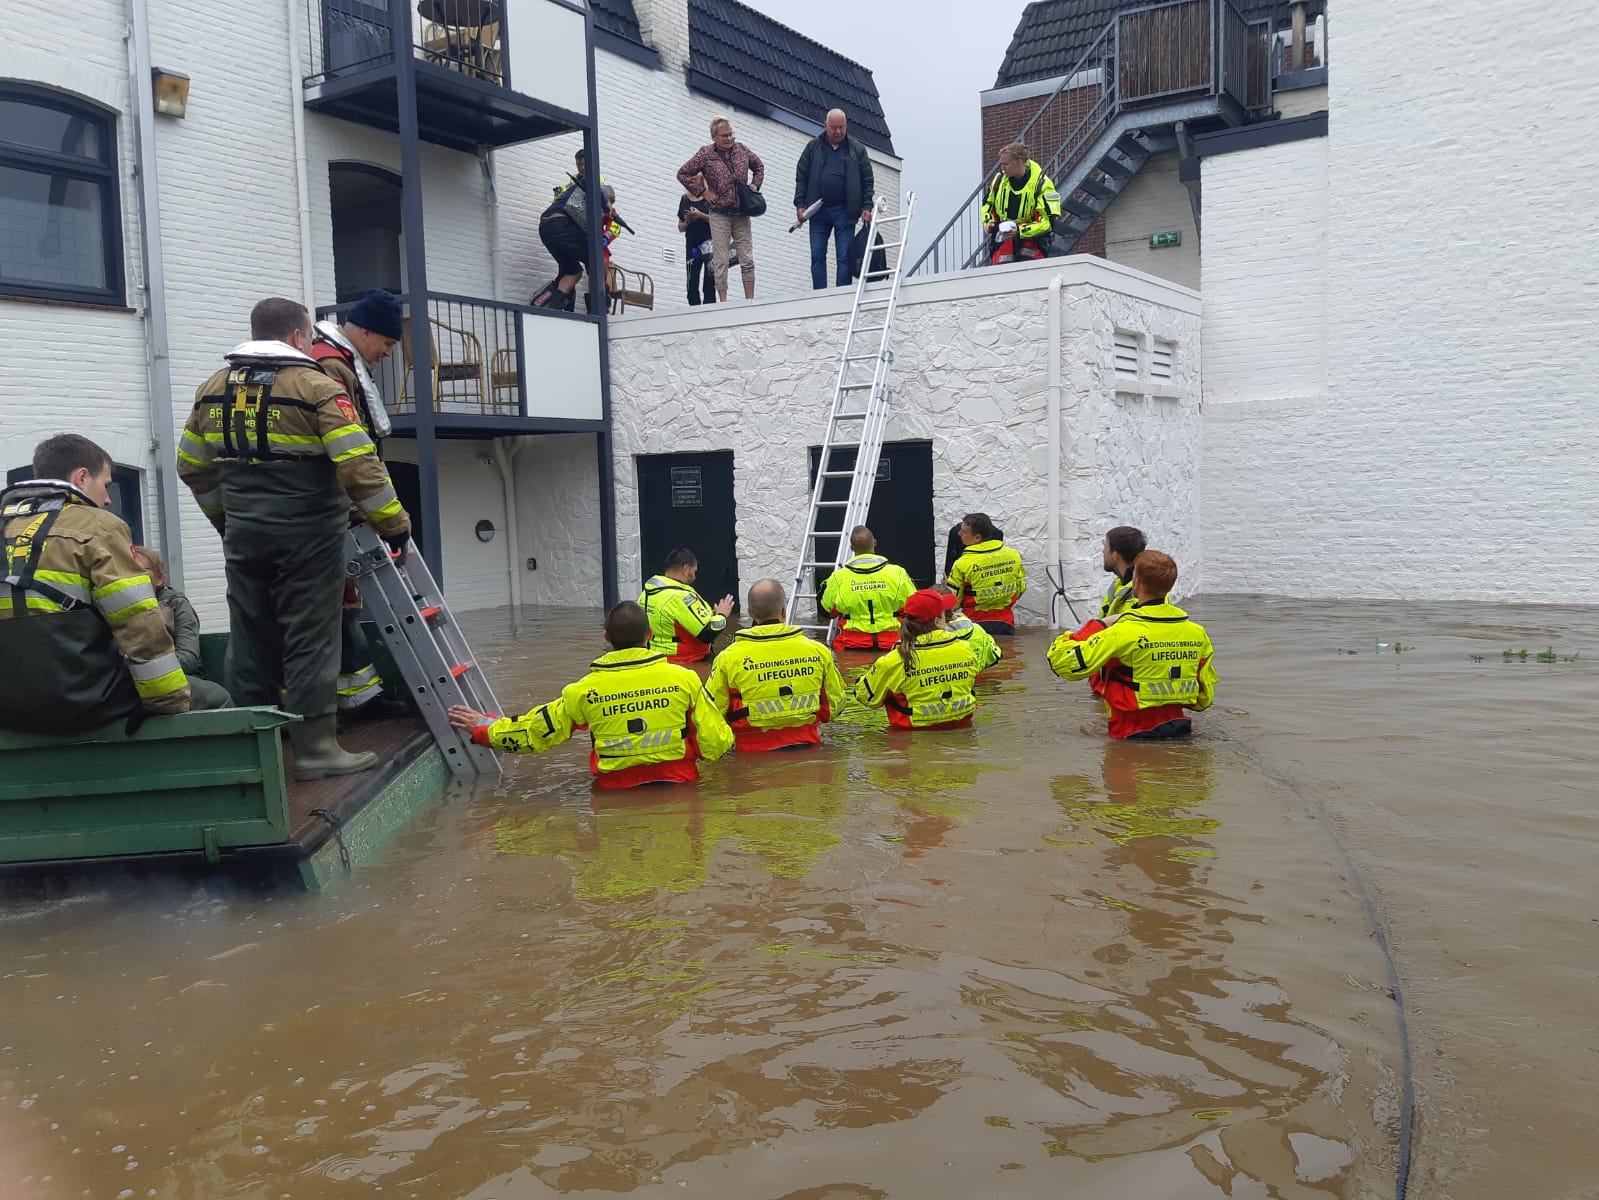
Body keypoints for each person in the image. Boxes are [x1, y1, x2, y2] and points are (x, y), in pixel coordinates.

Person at [179, 297, 411, 780]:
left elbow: (192, 466)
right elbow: (358, 462)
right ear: (298, 336)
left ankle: (249, 747)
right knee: (311, 637)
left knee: (250, 634)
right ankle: (315, 749)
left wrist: (227, 520)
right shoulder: (315, 387)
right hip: (309, 534)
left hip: (245, 534)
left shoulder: (211, 390)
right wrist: (394, 524)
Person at [0, 435, 199, 734]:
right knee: (212, 697)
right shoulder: (100, 527)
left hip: (7, 706)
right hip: (83, 699)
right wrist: (166, 702)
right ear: (81, 477)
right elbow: (137, 623)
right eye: (106, 485)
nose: (107, 499)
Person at [446, 601, 732, 789]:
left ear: (606, 638)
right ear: (651, 634)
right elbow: (716, 742)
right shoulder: (685, 680)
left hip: (614, 795)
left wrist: (485, 728)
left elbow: (536, 732)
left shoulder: (582, 691)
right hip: (680, 789)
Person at [311, 289, 404, 719]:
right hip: (334, 513)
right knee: (336, 609)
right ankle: (352, 705)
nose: (386, 354)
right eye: (385, 344)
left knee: (344, 606)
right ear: (364, 331)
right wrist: (384, 516)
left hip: (334, 511)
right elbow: (351, 450)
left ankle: (357, 699)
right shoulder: (332, 367)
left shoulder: (335, 361)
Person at [1047, 551, 1217, 740]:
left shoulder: (1122, 632)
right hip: (1180, 731)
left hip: (1130, 735)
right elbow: (1204, 698)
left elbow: (1064, 664)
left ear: (1136, 583)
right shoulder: (1197, 633)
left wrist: (1099, 624)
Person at [706, 579, 846, 752]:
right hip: (808, 747)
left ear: (750, 613)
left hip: (751, 754)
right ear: (784, 612)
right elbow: (835, 704)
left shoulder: (727, 659)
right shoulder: (818, 651)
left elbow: (711, 714)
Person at [853, 588, 981, 731]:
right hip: (963, 734)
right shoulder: (966, 649)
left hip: (910, 741)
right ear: (938, 621)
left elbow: (867, 698)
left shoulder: (894, 660)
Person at [130, 545, 233, 711]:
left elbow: (188, 657)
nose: (131, 578)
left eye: (140, 571)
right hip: (128, 682)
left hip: (172, 678)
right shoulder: (113, 605)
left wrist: (151, 674)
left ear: (159, 578)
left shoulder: (175, 604)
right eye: (126, 572)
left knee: (219, 698)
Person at [677, 116, 763, 303]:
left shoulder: (742, 150)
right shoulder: (705, 154)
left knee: (746, 257)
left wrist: (754, 186)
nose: (729, 139)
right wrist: (703, 192)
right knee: (720, 260)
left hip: (741, 212)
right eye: (724, 135)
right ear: (714, 137)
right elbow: (683, 173)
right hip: (719, 214)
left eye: (731, 134)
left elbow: (759, 166)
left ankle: (750, 301)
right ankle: (722, 301)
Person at [794, 108, 875, 290]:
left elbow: (867, 180)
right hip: (818, 210)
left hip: (845, 211)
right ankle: (820, 296)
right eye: (834, 128)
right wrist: (800, 204)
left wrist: (866, 206)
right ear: (825, 126)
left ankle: (842, 296)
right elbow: (802, 176)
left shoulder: (857, 149)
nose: (838, 132)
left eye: (842, 127)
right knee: (817, 256)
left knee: (844, 257)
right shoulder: (813, 147)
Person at [819, 525, 914, 652]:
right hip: (892, 645)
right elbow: (914, 608)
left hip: (851, 646)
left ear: (852, 548)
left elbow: (826, 611)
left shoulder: (838, 577)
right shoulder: (898, 573)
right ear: (875, 542)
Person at [638, 549, 734, 664]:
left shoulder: (647, 593)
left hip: (658, 659)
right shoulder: (680, 597)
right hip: (688, 661)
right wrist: (721, 614)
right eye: (694, 571)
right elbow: (708, 633)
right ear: (686, 569)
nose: (695, 576)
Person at [540, 172, 616, 312]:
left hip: (546, 227)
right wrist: (607, 203)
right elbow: (590, 179)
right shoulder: (592, 193)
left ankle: (549, 307)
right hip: (561, 223)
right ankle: (598, 311)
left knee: (572, 271)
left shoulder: (576, 195)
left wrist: (604, 238)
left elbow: (608, 230)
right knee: (596, 260)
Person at [981, 142, 1062, 265]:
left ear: (1018, 162)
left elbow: (1047, 223)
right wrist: (988, 222)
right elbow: (988, 204)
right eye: (1001, 164)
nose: (1002, 168)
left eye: (1006, 164)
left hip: (1032, 243)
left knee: (1029, 272)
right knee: (1001, 275)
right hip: (1004, 240)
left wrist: (1020, 231)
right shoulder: (999, 180)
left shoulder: (1043, 185)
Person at [947, 512, 1027, 635]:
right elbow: (1020, 588)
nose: (959, 534)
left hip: (974, 623)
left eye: (963, 531)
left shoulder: (962, 564)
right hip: (1006, 623)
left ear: (977, 537)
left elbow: (953, 601)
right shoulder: (1013, 555)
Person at [936, 585, 1003, 672]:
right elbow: (995, 656)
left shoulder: (927, 637)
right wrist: (968, 622)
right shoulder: (976, 629)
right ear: (953, 605)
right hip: (978, 680)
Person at [677, 173, 717, 307]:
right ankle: (694, 311)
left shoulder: (710, 198)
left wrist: (700, 215)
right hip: (692, 246)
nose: (693, 184)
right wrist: (688, 221)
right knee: (691, 283)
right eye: (691, 181)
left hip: (710, 244)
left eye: (696, 181)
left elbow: (717, 221)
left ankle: (709, 312)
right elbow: (680, 227)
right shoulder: (684, 199)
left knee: (709, 283)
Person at [1098, 525, 1146, 620]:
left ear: (1115, 555)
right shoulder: (1119, 583)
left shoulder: (1142, 594)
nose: (1103, 551)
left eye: (1106, 546)